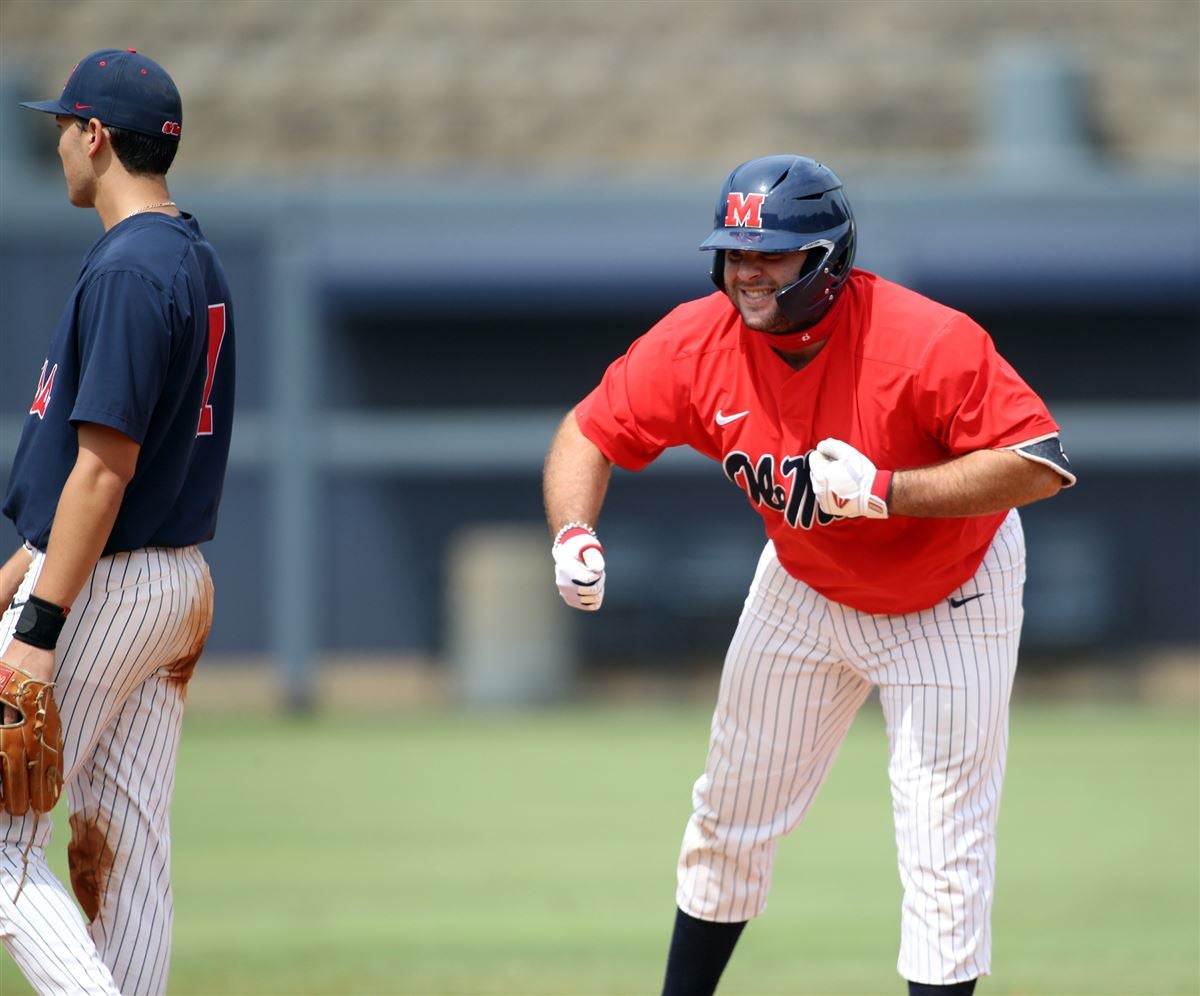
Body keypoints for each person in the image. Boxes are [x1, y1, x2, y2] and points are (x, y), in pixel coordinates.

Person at [543, 154, 1074, 996]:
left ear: (829, 258)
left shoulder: (925, 340)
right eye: (734, 252)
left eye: (772, 253)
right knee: (728, 818)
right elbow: (589, 430)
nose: (747, 271)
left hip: (950, 593)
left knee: (943, 851)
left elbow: (1038, 464)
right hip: (805, 585)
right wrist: (573, 530)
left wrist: (886, 490)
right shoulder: (696, 341)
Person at [0, 49, 235, 994]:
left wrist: (37, 633)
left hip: (106, 583)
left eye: (64, 125)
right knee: (122, 845)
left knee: (3, 843)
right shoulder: (188, 252)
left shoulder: (131, 267)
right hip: (169, 584)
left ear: (95, 136)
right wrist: (20, 569)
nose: (59, 141)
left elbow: (103, 472)